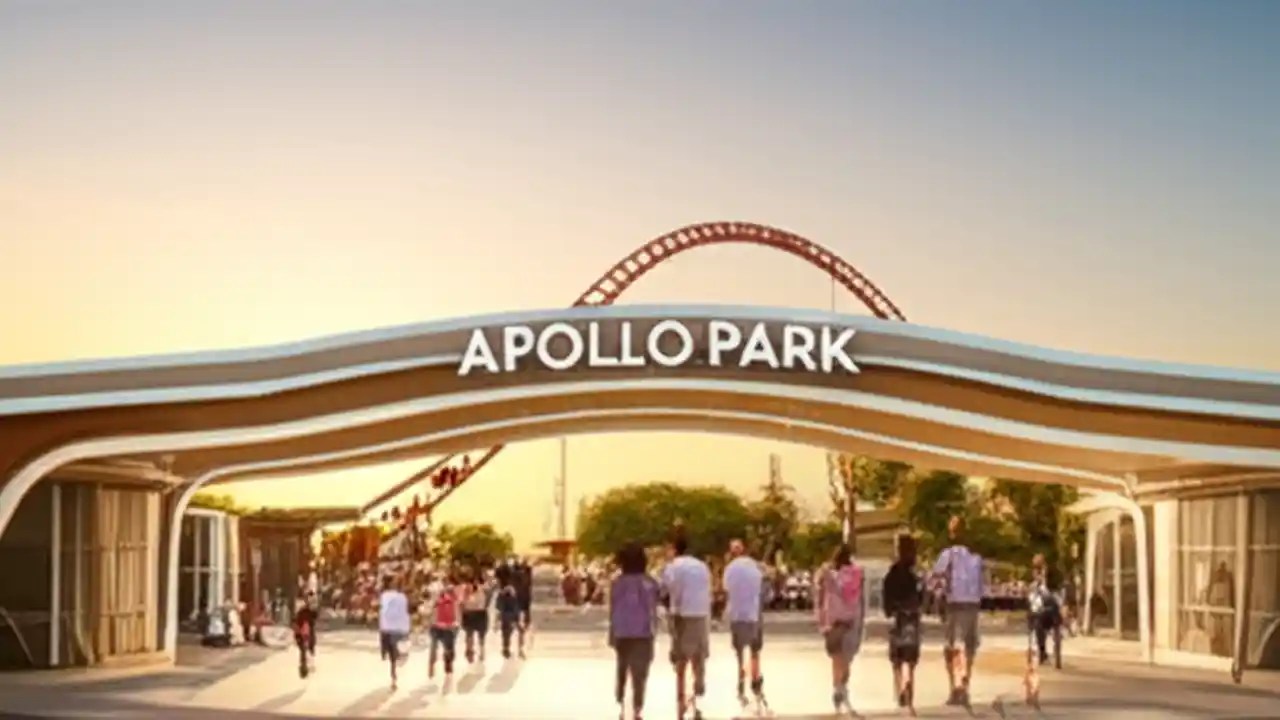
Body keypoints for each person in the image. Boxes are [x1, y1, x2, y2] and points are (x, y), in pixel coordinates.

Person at [930, 516, 985, 707]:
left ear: (952, 533)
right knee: (969, 647)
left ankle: (955, 688)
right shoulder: (976, 558)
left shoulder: (948, 555)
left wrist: (937, 598)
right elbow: (981, 587)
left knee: (952, 648)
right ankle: (965, 683)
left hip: (955, 605)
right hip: (973, 606)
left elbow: (935, 580)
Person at [661, 529, 712, 720]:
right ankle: (698, 684)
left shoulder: (672, 566)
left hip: (681, 614)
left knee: (681, 656)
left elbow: (665, 590)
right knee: (699, 652)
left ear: (674, 549)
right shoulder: (702, 566)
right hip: (701, 612)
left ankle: (681, 698)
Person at [608, 542, 661, 720]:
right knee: (640, 672)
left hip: (621, 631)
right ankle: (637, 706)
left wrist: (612, 632)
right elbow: (654, 605)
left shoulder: (617, 583)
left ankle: (622, 700)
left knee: (622, 666)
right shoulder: (650, 582)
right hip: (643, 632)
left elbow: (613, 608)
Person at [816, 544, 866, 715]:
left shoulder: (827, 574)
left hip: (832, 622)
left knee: (836, 660)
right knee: (846, 660)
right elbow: (860, 601)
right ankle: (843, 690)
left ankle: (837, 691)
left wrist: (821, 620)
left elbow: (819, 596)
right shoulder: (857, 574)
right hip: (850, 621)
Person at [722, 539, 767, 709]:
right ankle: (755, 680)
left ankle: (741, 683)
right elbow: (764, 582)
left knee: (740, 653)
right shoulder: (755, 566)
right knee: (755, 651)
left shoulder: (729, 569)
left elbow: (725, 589)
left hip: (737, 615)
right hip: (753, 614)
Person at [882, 535, 923, 713]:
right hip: (912, 617)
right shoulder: (915, 575)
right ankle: (908, 683)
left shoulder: (891, 574)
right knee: (910, 658)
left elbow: (886, 600)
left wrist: (889, 611)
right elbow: (921, 597)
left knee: (897, 658)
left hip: (896, 617)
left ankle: (900, 687)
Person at [378, 576, 412, 691]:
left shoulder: (388, 596)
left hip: (391, 627)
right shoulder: (396, 596)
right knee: (394, 652)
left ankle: (393, 675)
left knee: (393, 653)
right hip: (393, 627)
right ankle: (393, 675)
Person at [427, 573, 462, 679]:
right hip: (442, 626)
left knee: (441, 648)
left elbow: (457, 609)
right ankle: (435, 666)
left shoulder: (450, 595)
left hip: (444, 626)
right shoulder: (438, 595)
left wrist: (457, 623)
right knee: (439, 648)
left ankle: (440, 666)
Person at [461, 569, 492, 663]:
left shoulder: (466, 588)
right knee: (478, 634)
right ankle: (478, 651)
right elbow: (489, 595)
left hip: (471, 612)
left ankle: (472, 650)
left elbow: (462, 602)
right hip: (478, 612)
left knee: (471, 634)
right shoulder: (483, 588)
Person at [292, 591, 319, 678]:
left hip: (309, 633)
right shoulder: (302, 611)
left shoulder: (312, 611)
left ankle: (307, 665)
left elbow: (315, 616)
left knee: (309, 648)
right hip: (301, 633)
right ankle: (304, 668)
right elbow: (296, 621)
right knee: (303, 649)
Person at [495, 581, 524, 659]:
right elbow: (517, 609)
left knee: (506, 635)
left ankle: (506, 648)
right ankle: (520, 648)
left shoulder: (501, 597)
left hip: (505, 618)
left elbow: (498, 608)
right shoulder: (513, 598)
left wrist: (497, 621)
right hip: (513, 617)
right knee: (520, 631)